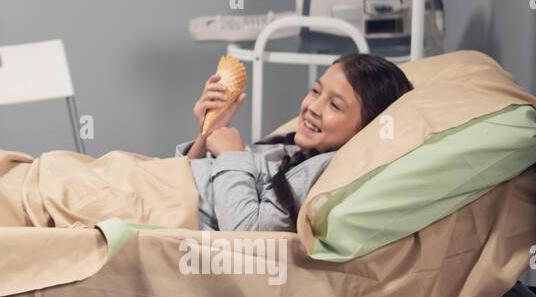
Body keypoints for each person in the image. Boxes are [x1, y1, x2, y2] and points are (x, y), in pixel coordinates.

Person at [174, 53, 413, 232]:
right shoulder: (292, 150)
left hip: (165, 207)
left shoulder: (325, 176)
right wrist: (207, 135)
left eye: (335, 106)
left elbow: (245, 234)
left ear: (367, 129)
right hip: (164, 189)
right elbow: (192, 184)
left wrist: (232, 156)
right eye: (316, 91)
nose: (313, 107)